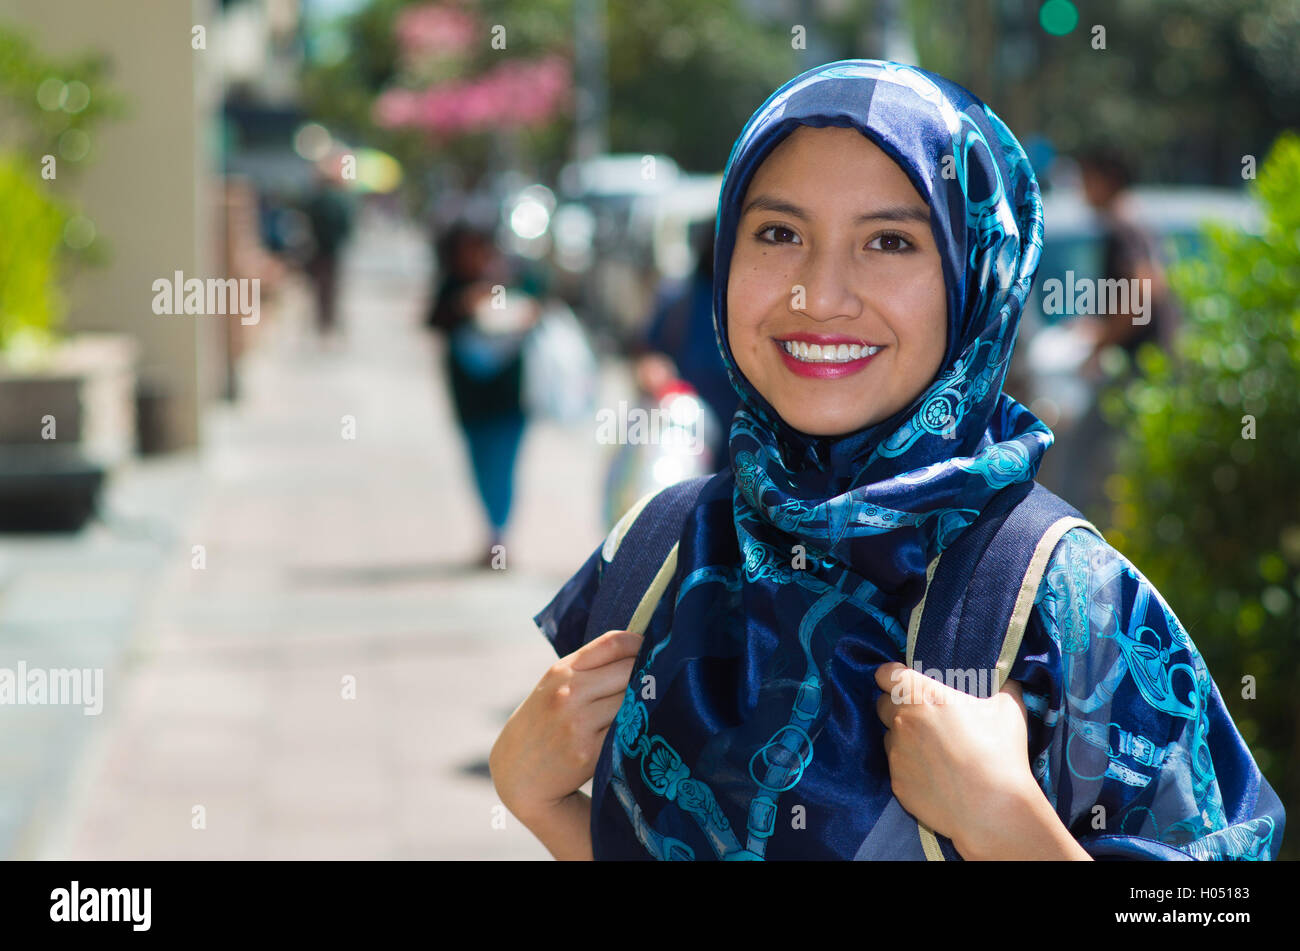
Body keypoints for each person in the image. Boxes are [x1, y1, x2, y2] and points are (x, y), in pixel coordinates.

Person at [489, 60, 1284, 860]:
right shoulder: (661, 551)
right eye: (779, 233)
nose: (820, 294)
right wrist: (540, 801)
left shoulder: (1070, 602)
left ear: (978, 277)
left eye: (891, 241)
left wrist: (1012, 825)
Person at [426, 222, 536, 567]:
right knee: (479, 468)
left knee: (503, 469)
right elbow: (434, 320)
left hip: (509, 399)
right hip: (470, 402)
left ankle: (498, 539)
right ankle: (492, 534)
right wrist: (463, 306)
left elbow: (539, 304)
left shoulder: (512, 279)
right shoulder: (451, 287)